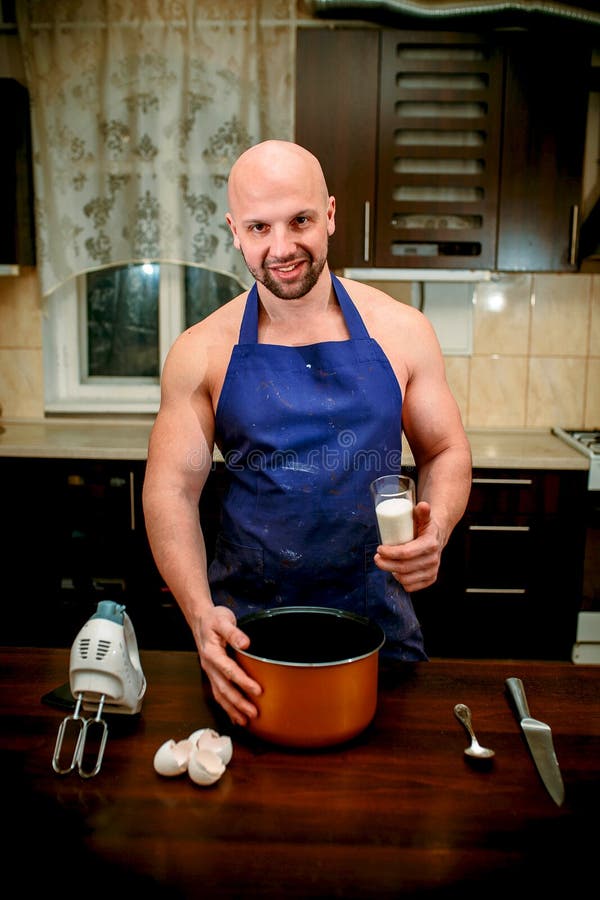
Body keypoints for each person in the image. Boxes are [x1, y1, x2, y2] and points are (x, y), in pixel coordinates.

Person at [142, 140, 472, 727]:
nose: (282, 247)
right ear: (234, 232)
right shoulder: (201, 351)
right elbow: (171, 491)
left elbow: (444, 449)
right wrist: (199, 614)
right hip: (246, 637)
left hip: (380, 633)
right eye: (258, 227)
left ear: (331, 215)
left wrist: (437, 528)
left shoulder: (403, 331)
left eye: (300, 220)